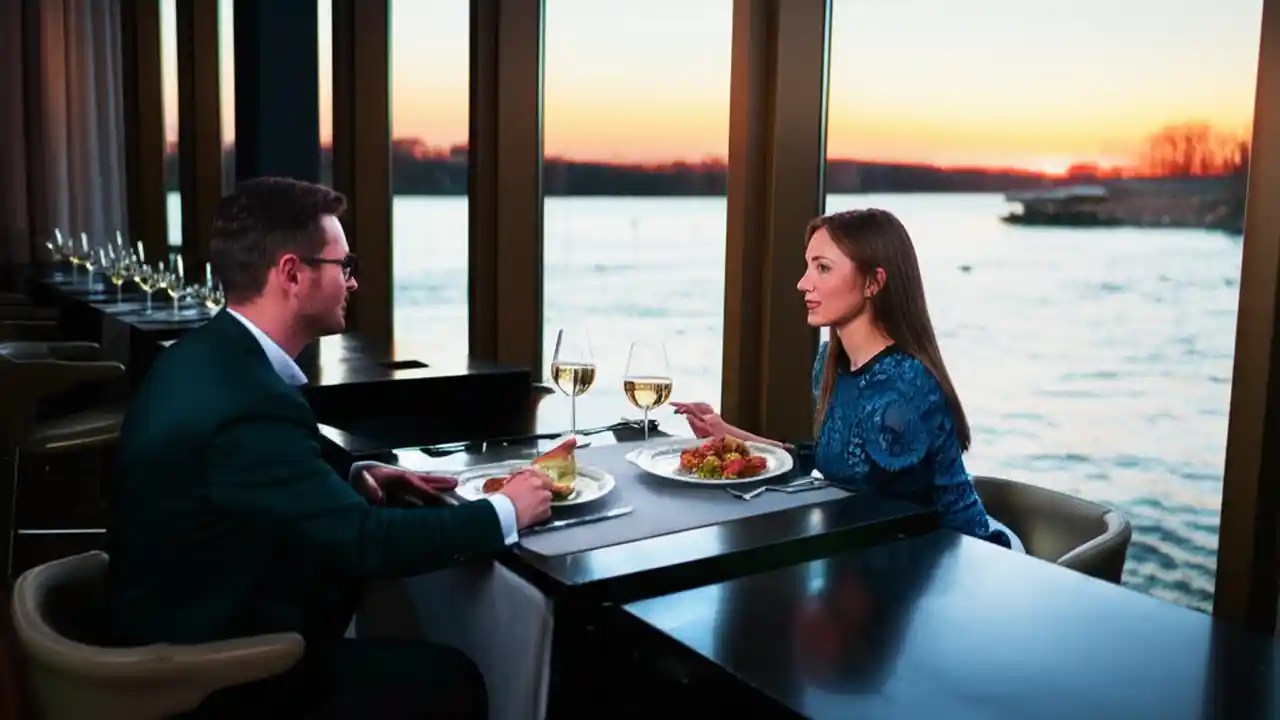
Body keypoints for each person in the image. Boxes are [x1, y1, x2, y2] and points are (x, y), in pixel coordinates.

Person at [105, 177, 554, 717]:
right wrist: (507, 509)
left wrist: (344, 484)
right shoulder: (249, 400)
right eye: (343, 266)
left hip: (167, 621)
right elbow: (366, 543)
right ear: (293, 274)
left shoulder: (203, 356)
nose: (353, 282)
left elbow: (243, 488)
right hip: (206, 676)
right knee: (450, 679)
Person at [675, 208, 1022, 551]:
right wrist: (729, 435)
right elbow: (831, 463)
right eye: (808, 265)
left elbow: (883, 504)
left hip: (961, 556)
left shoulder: (905, 386)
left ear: (874, 282)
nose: (803, 283)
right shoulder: (829, 361)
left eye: (822, 268)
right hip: (885, 555)